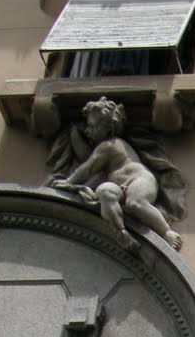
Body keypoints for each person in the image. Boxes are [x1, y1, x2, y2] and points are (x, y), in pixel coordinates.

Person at [51, 98, 183, 249]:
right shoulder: (102, 152)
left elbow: (88, 167)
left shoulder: (110, 145)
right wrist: (74, 133)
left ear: (108, 127)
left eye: (92, 127)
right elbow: (88, 161)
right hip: (119, 188)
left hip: (139, 181)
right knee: (105, 192)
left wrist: (69, 182)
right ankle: (122, 233)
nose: (87, 131)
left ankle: (166, 232)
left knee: (136, 203)